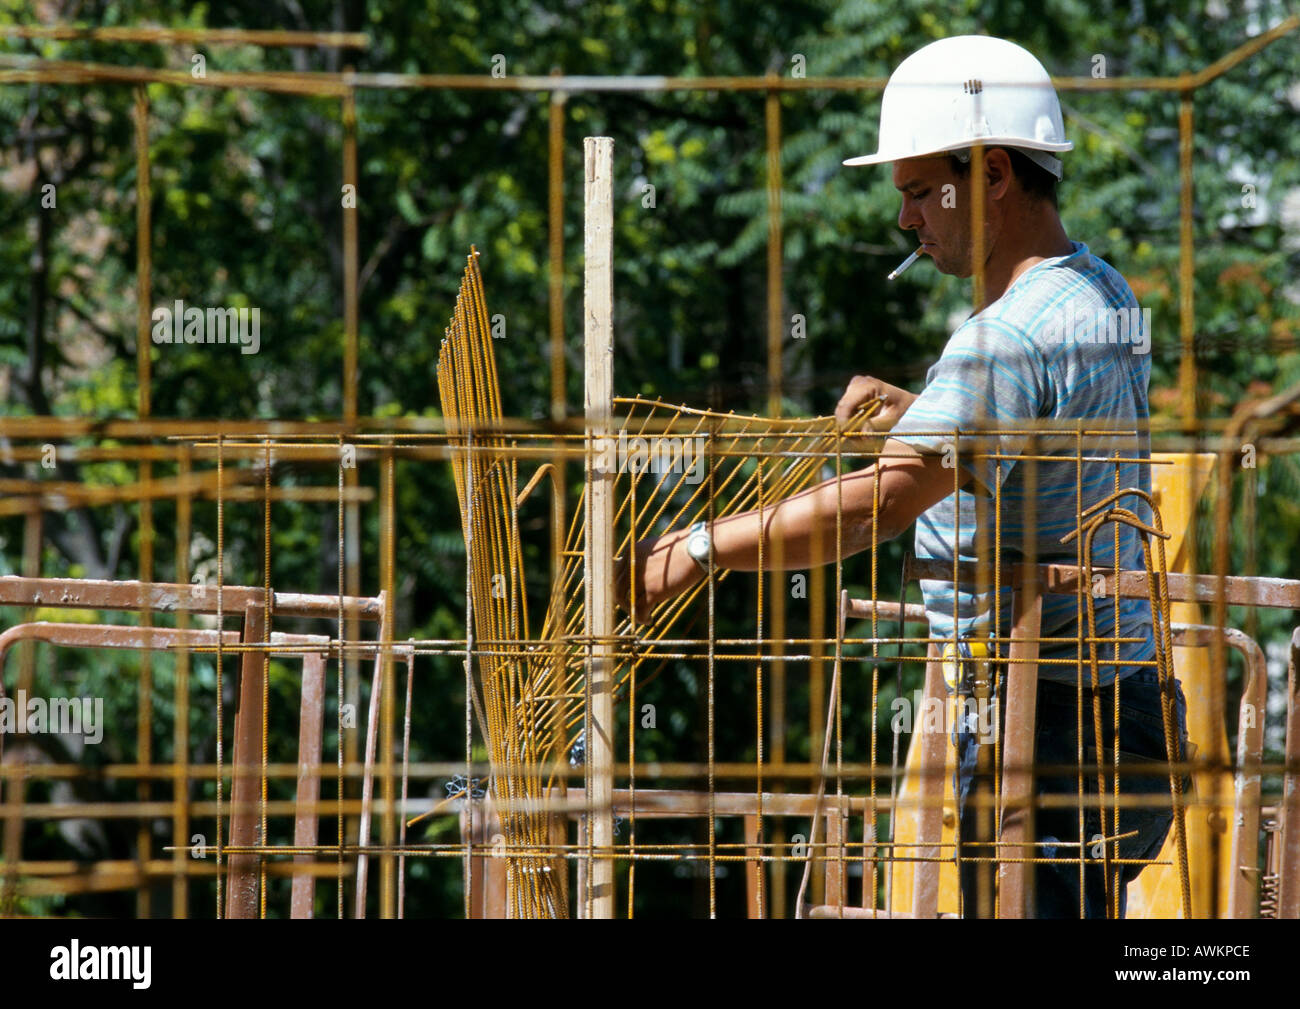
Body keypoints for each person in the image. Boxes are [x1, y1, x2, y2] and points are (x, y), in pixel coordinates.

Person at [621, 35, 1188, 918]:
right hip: (1134, 710)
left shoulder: (1001, 340)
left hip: (1052, 728)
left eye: (923, 192)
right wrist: (922, 411)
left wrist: (698, 549)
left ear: (993, 174)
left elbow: (883, 503)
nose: (907, 221)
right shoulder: (1101, 291)